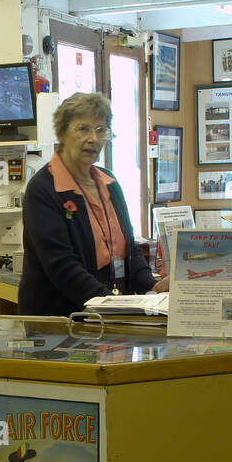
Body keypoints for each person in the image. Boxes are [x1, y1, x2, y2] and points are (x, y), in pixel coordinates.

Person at [19, 92, 167, 316]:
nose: (94, 138)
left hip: (110, 317)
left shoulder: (110, 184)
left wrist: (151, 286)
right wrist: (115, 307)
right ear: (61, 134)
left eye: (101, 130)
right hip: (60, 322)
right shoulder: (43, 189)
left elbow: (130, 249)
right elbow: (62, 267)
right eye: (83, 129)